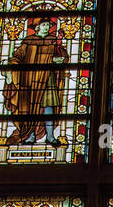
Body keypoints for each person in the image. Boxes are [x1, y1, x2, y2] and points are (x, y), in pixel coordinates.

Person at [4, 15, 68, 146]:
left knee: (49, 107)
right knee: (29, 108)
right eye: (44, 25)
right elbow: (17, 57)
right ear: (37, 27)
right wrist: (12, 67)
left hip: (47, 79)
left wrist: (60, 59)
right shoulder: (28, 41)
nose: (47, 28)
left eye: (48, 26)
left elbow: (62, 55)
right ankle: (30, 135)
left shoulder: (53, 41)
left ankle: (50, 136)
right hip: (29, 80)